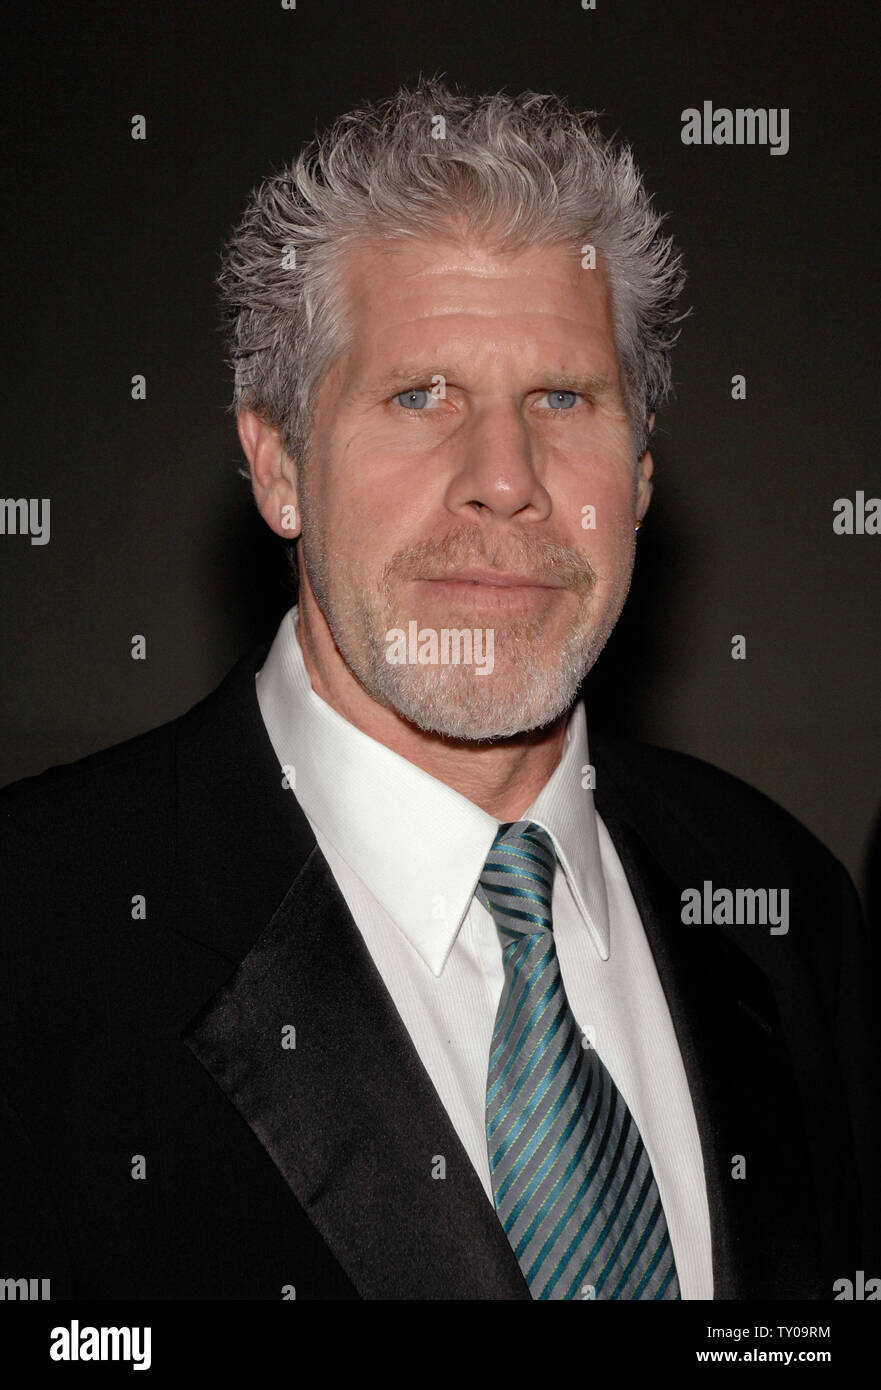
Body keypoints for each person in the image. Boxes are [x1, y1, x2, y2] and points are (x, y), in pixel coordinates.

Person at [1, 77, 876, 1301]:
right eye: (419, 397)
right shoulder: (35, 934)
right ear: (276, 468)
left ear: (635, 477)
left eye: (561, 400)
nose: (504, 479)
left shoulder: (784, 905)